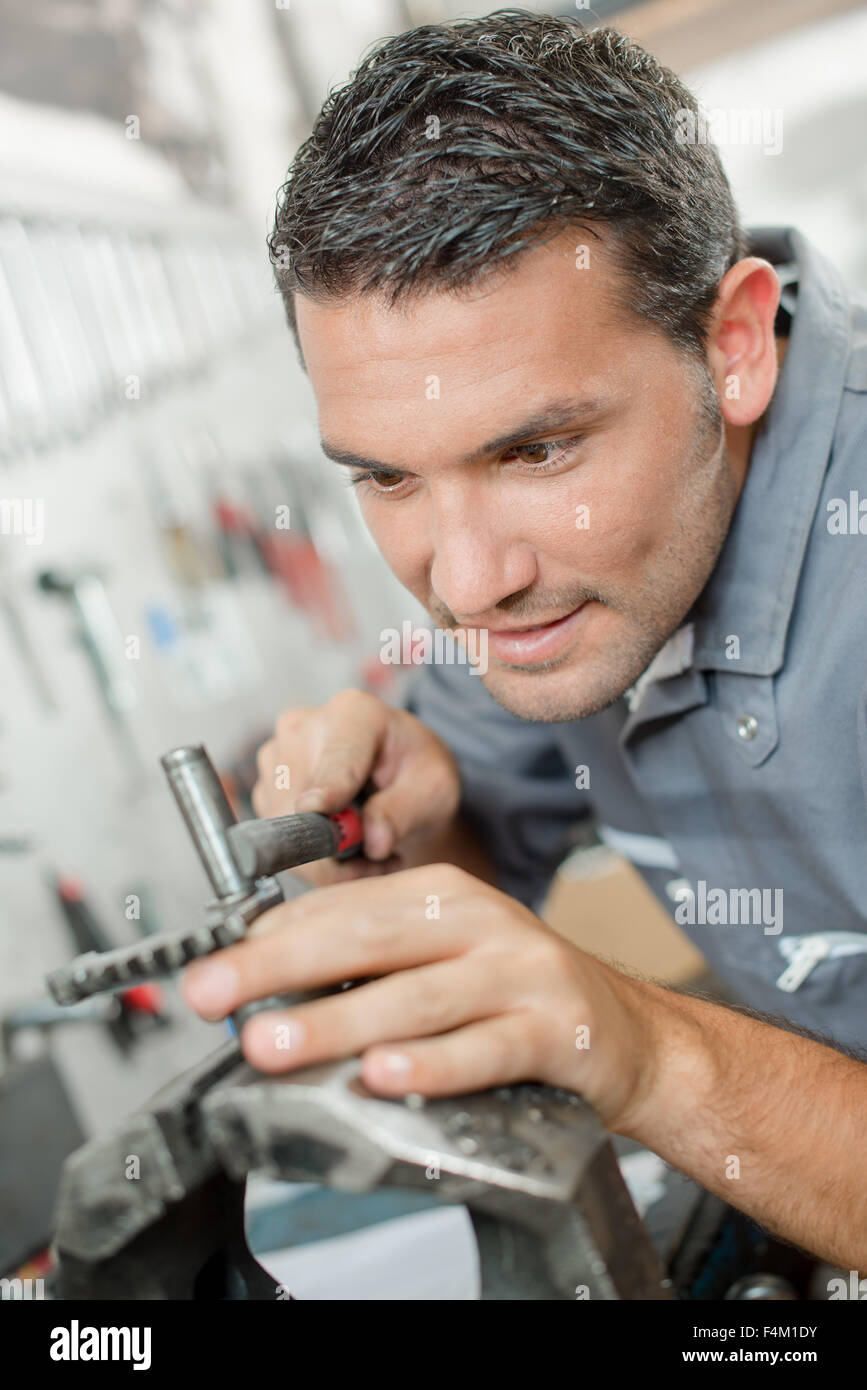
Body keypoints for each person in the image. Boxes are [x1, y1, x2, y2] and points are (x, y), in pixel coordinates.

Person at [183, 12, 867, 1271]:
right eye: (387, 478)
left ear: (731, 346)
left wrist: (648, 1049)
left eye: (535, 450)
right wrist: (412, 822)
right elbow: (473, 845)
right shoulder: (559, 584)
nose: (468, 582)